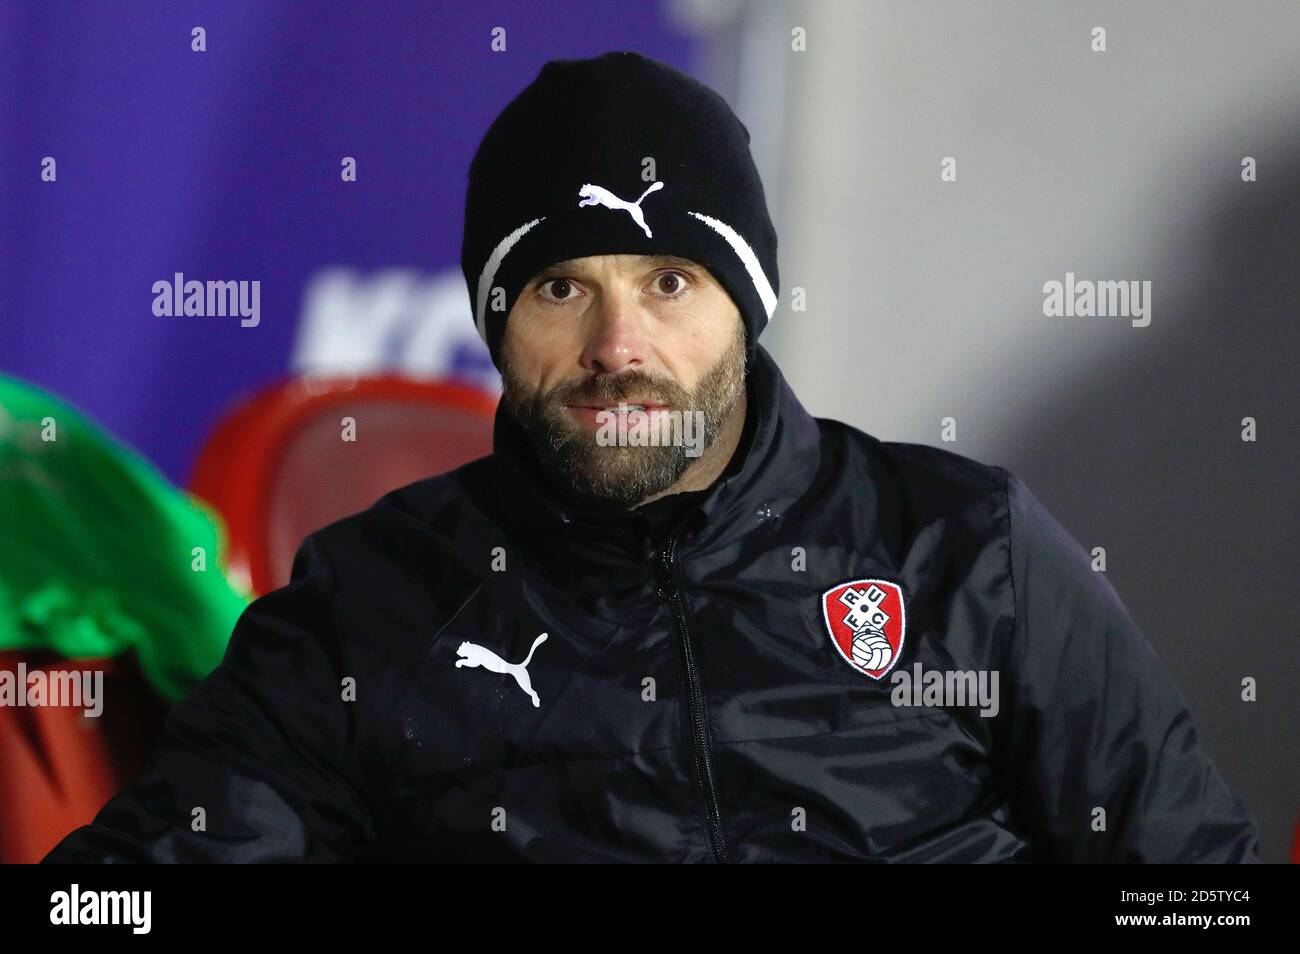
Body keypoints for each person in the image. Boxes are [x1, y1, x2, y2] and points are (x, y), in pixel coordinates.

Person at [43, 51, 1260, 863]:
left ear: (747, 305)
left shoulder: (962, 547)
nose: (617, 346)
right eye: (561, 286)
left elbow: (1189, 873)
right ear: (495, 322)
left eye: (672, 281)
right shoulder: (372, 606)